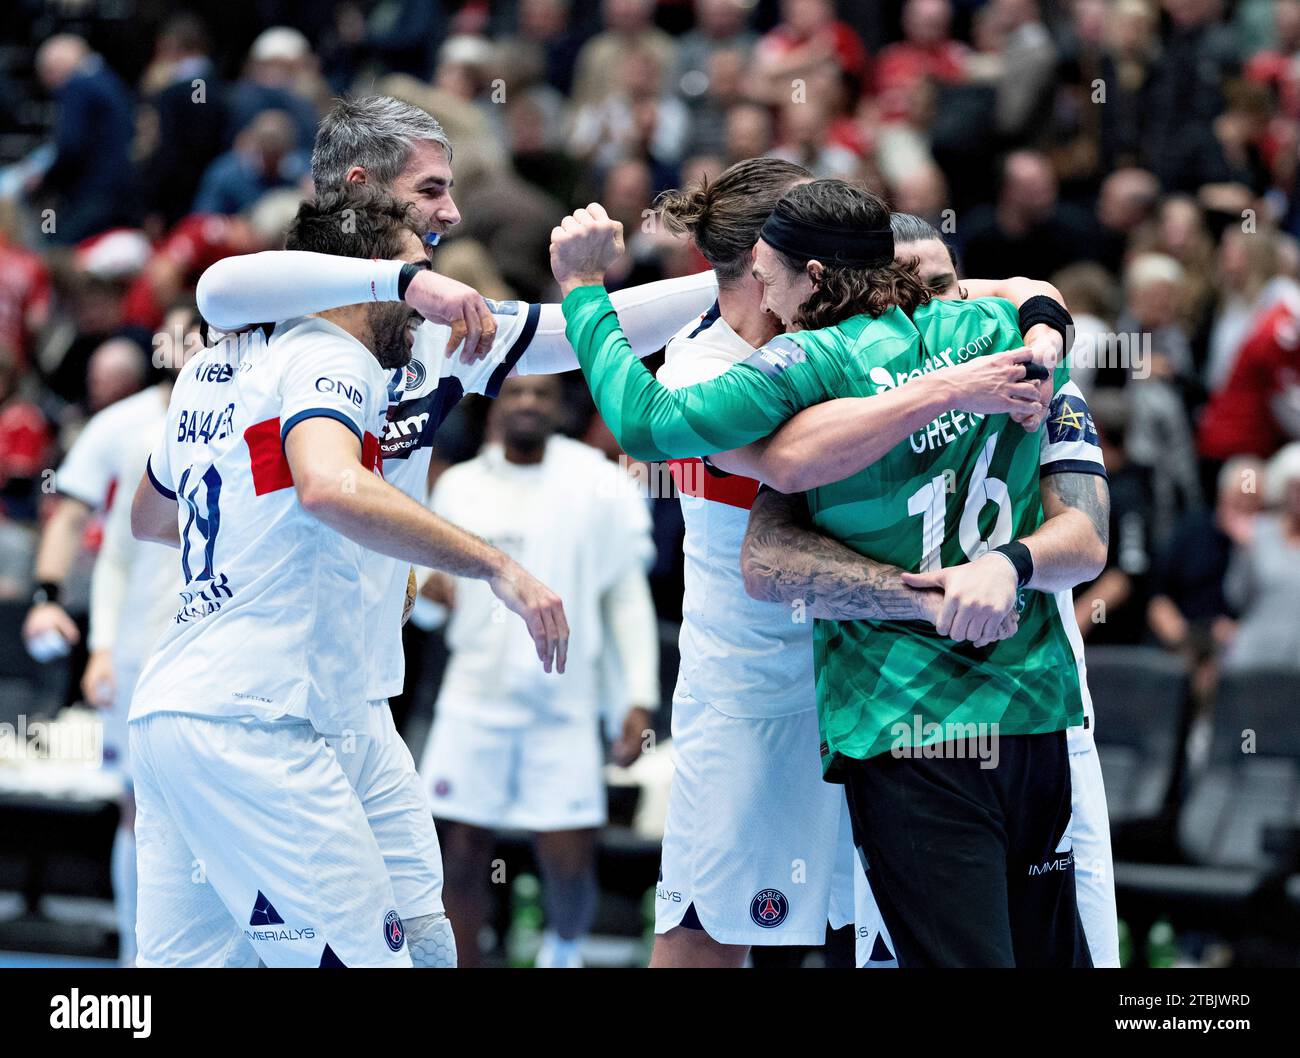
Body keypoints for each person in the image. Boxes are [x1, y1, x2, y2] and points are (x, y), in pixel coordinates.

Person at [188, 94, 719, 964]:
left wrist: (737, 276)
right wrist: (401, 278)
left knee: (422, 942)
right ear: (362, 186)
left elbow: (570, 336)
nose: (454, 213)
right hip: (267, 692)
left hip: (353, 689)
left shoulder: (421, 335)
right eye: (431, 190)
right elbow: (219, 286)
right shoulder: (278, 322)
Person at [551, 180, 1106, 966]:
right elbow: (1032, 292)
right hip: (989, 692)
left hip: (891, 697)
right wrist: (995, 360)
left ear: (809, 273)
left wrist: (581, 293)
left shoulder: (808, 360)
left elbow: (648, 427)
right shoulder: (984, 327)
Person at [126, 185, 566, 968]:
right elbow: (328, 487)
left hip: (184, 706)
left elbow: (150, 519)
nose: (421, 304)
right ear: (359, 278)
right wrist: (496, 563)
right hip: (260, 716)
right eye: (409, 277)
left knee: (412, 944)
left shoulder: (210, 368)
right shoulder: (335, 354)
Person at [742, 212, 1121, 968]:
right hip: (902, 716)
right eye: (904, 289)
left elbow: (1088, 537)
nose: (927, 309)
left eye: (942, 285)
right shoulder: (831, 386)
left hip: (1037, 704)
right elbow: (767, 553)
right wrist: (920, 596)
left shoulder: (1025, 362)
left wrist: (1007, 563)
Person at [419, 375, 659, 967]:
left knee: (570, 862)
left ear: (561, 406)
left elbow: (625, 596)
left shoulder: (601, 483)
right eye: (515, 391)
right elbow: (426, 604)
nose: (527, 402)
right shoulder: (458, 487)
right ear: (496, 403)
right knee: (458, 859)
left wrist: (639, 696)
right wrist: (428, 597)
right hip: (474, 699)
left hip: (565, 704)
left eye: (541, 393)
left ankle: (563, 953)